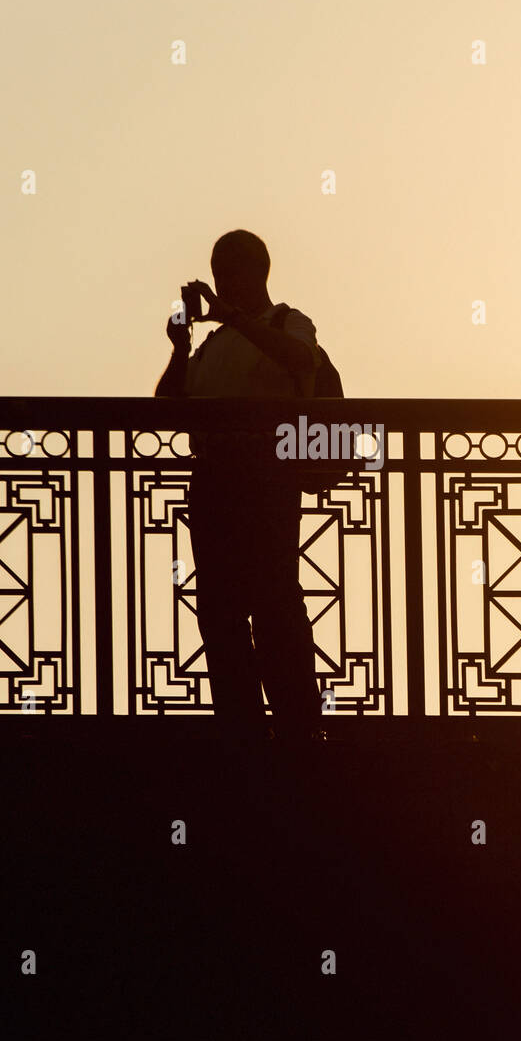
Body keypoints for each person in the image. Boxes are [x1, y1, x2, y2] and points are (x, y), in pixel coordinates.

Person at [155, 229, 322, 731]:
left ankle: (298, 725)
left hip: (266, 481)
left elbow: (301, 361)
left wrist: (233, 318)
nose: (222, 285)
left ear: (256, 274)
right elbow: (168, 409)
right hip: (213, 484)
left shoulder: (288, 323)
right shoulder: (210, 346)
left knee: (274, 604)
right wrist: (179, 347)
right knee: (219, 612)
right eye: (217, 273)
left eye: (231, 272)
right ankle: (241, 725)